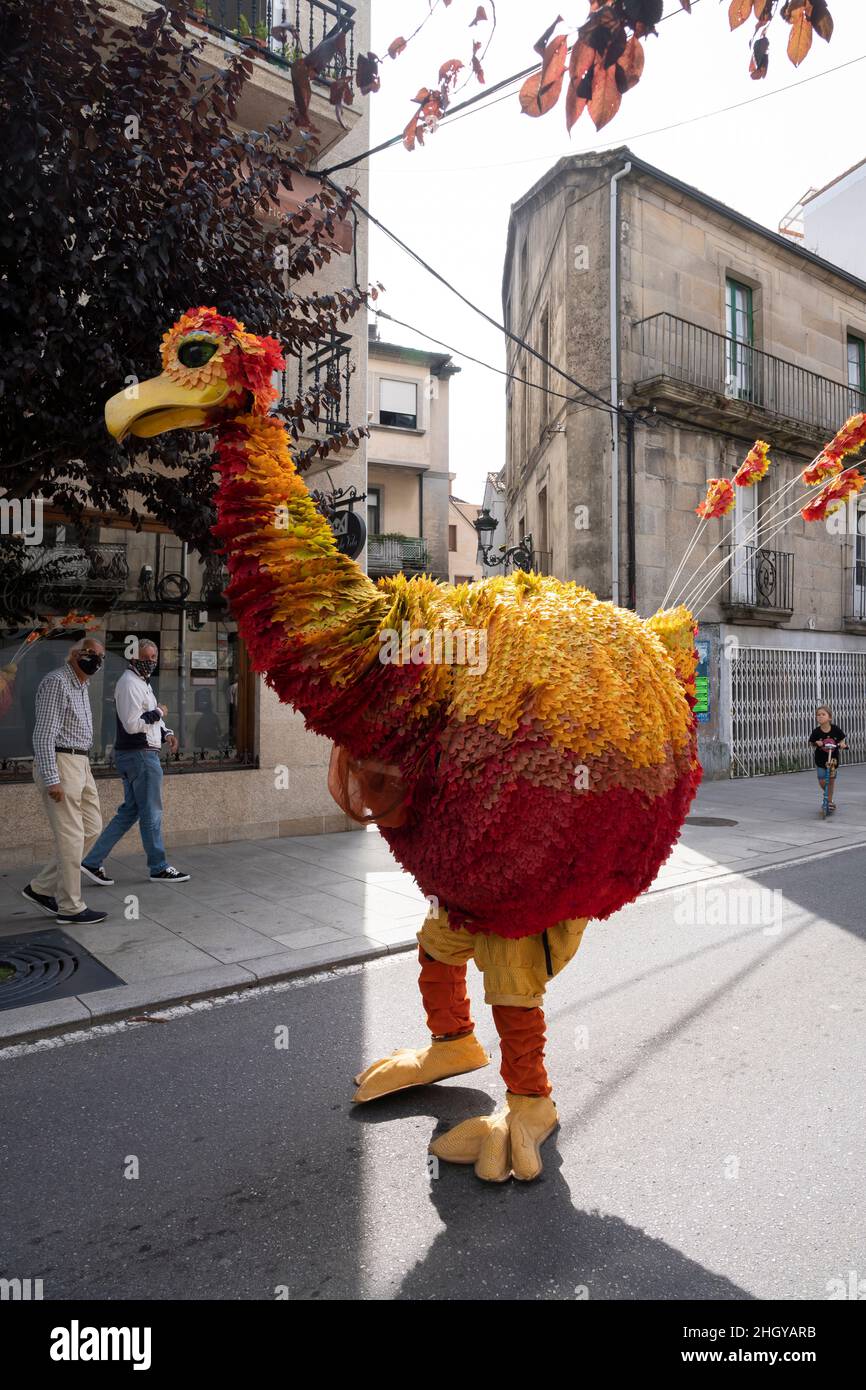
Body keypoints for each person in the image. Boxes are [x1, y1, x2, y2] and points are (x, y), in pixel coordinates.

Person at [82, 641, 190, 884]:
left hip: (137, 754)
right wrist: (160, 713)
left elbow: (149, 721)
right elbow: (133, 725)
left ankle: (92, 861)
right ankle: (158, 867)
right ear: (134, 657)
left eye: (154, 656)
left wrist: (166, 732)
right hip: (140, 756)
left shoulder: (142, 683)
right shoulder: (130, 683)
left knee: (129, 812)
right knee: (152, 812)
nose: (151, 661)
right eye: (146, 656)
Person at [22, 638, 109, 925]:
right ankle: (71, 907)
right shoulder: (56, 682)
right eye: (89, 653)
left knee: (92, 828)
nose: (94, 659)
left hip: (81, 762)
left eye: (100, 656)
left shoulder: (82, 686)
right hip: (61, 762)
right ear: (74, 655)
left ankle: (41, 888)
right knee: (71, 836)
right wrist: (52, 778)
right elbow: (43, 735)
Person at [809, 705, 847, 817]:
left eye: (823, 714)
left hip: (833, 760)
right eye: (818, 715)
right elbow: (811, 742)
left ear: (829, 717)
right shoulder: (816, 731)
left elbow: (842, 739)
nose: (820, 716)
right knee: (822, 780)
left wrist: (842, 744)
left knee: (831, 780)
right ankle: (827, 795)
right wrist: (817, 743)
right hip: (821, 760)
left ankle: (829, 801)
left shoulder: (835, 729)